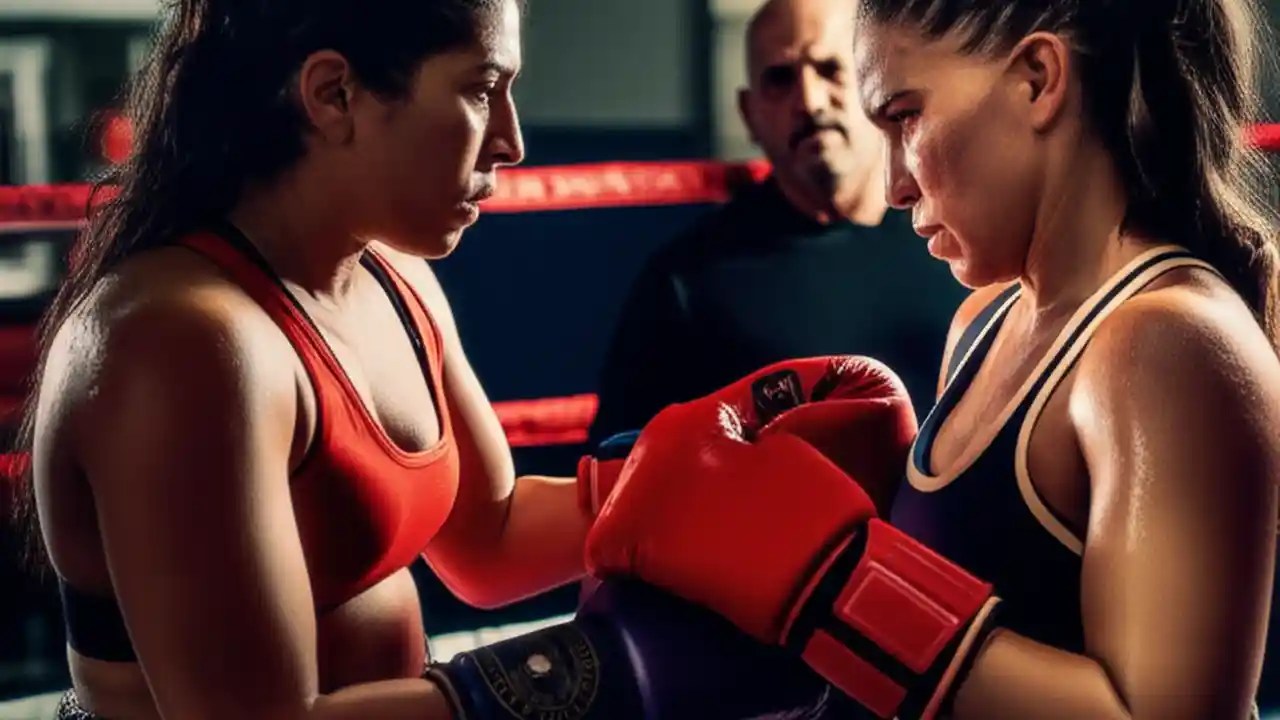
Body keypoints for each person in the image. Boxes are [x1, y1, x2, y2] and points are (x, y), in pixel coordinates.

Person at [13, 1, 867, 718]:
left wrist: (714, 477)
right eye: (482, 89)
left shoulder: (393, 276)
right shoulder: (182, 342)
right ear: (334, 94)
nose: (512, 142)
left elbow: (486, 541)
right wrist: (597, 673)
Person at [584, 0, 1280, 718]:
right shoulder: (985, 321)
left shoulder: (1165, 342)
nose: (893, 185)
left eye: (905, 116)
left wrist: (830, 582)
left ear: (1038, 79)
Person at [587, 0, 966, 445]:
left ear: (878, 82)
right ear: (750, 114)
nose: (809, 100)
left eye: (830, 69)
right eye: (780, 79)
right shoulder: (689, 280)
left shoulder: (964, 241)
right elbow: (622, 469)